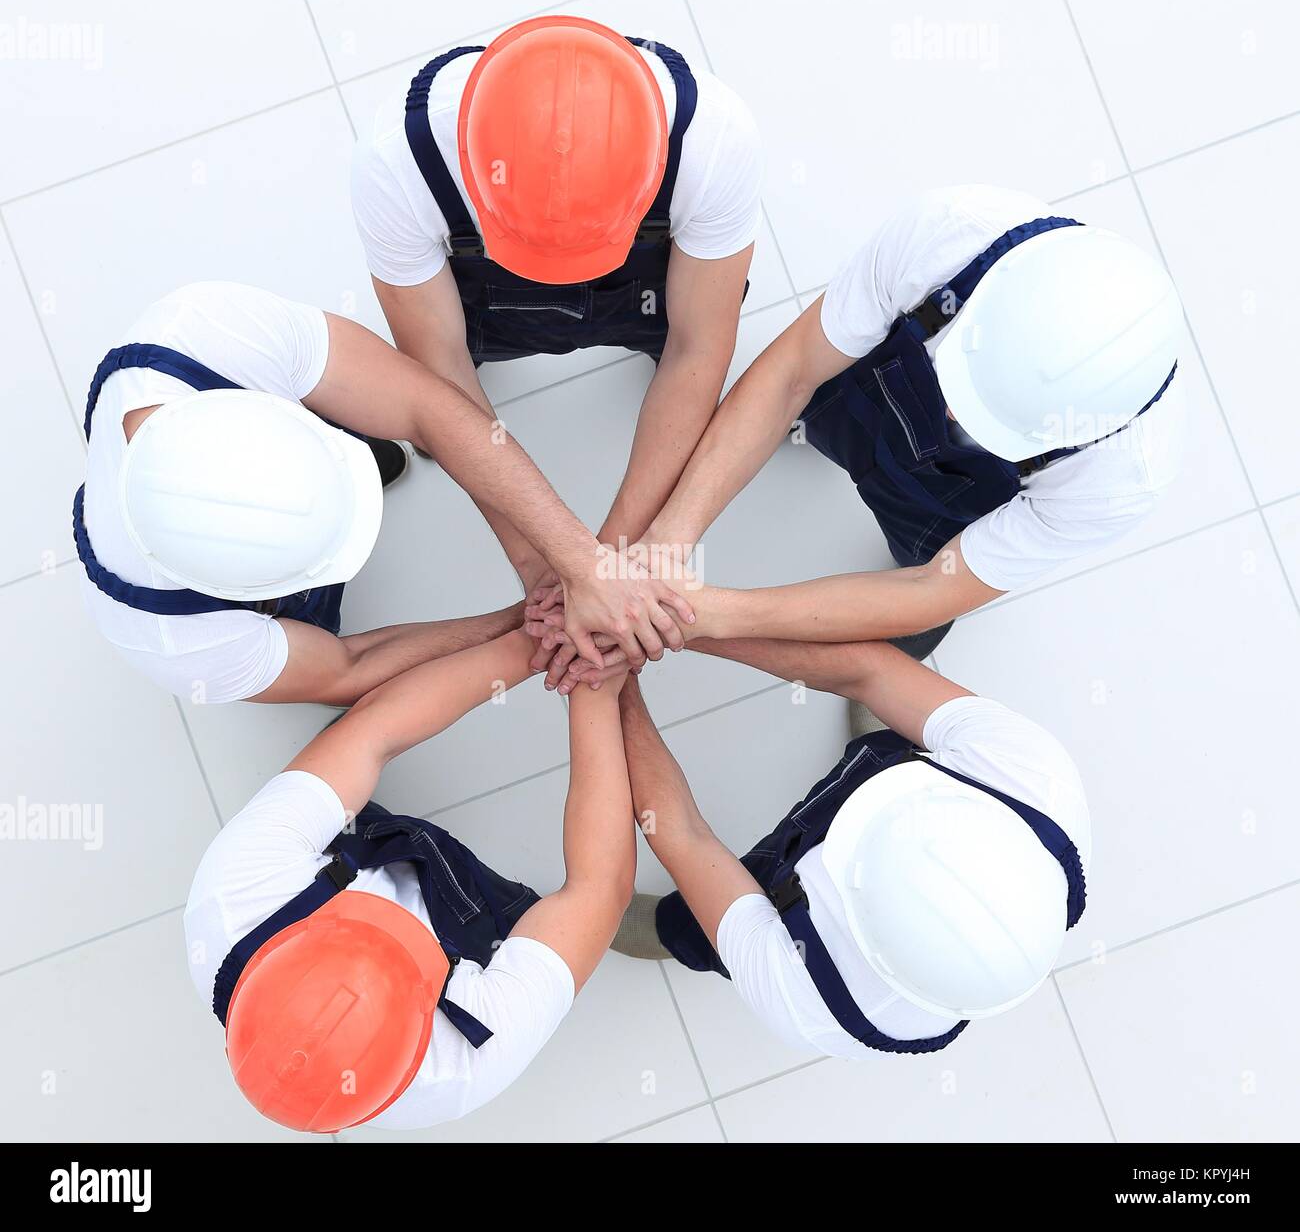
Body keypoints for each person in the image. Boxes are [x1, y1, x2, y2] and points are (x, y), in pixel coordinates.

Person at [622, 184, 1184, 709]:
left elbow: (931, 585)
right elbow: (793, 373)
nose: (953, 415)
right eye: (966, 380)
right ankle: (803, 434)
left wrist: (712, 614)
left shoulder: (1122, 479)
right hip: (854, 401)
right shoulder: (950, 238)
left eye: (993, 421)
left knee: (908, 623)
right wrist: (669, 540)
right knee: (803, 413)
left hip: (941, 524)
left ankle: (881, 691)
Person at [74, 280, 692, 706]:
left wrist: (570, 562)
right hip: (254, 612)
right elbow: (349, 667)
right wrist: (525, 620)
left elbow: (429, 409)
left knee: (397, 405)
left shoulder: (204, 335)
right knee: (311, 664)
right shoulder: (179, 643)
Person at [351, 14, 761, 597]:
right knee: (440, 400)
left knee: (682, 358)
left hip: (647, 298)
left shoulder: (714, 139)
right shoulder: (398, 164)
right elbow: (438, 362)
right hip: (488, 313)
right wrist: (543, 563)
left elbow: (698, 343)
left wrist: (613, 556)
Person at [184, 623, 635, 1132]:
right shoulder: (463, 1062)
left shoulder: (235, 895)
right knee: (578, 918)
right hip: (471, 942)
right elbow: (600, 887)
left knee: (357, 740)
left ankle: (334, 786)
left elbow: (374, 731)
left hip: (345, 857)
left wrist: (537, 647)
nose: (398, 928)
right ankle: (556, 942)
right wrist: (596, 682)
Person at [609, 635, 1089, 1059]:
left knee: (705, 925)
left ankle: (673, 930)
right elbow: (868, 671)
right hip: (899, 770)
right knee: (889, 716)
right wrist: (675, 627)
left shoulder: (806, 998)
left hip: (782, 895)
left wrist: (618, 686)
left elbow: (684, 834)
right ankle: (886, 736)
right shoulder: (1033, 779)